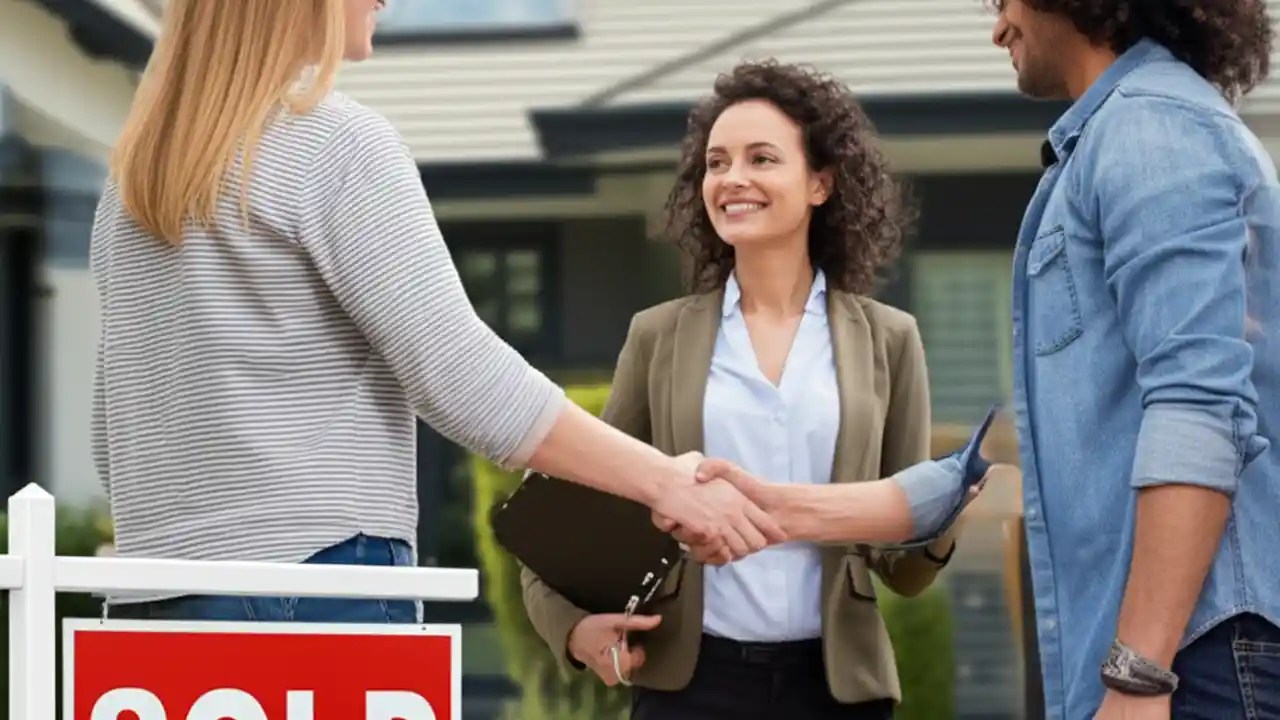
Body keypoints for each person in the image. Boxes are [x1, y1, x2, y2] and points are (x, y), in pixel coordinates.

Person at [90, 0, 788, 624]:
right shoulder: (336, 145)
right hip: (309, 587)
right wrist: (668, 483)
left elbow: (112, 433)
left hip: (154, 593)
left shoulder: (130, 190)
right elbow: (458, 377)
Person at [521, 60, 996, 719]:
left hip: (836, 691)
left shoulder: (890, 340)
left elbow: (902, 570)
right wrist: (572, 630)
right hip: (689, 686)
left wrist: (946, 510)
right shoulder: (657, 336)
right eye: (717, 163)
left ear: (821, 183)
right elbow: (562, 515)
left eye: (762, 158)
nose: (733, 179)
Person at [982, 1, 1280, 719]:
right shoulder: (1127, 130)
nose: (996, 29)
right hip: (1188, 654)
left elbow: (1198, 409)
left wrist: (1139, 674)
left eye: (1002, 1)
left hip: (1194, 660)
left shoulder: (1153, 129)